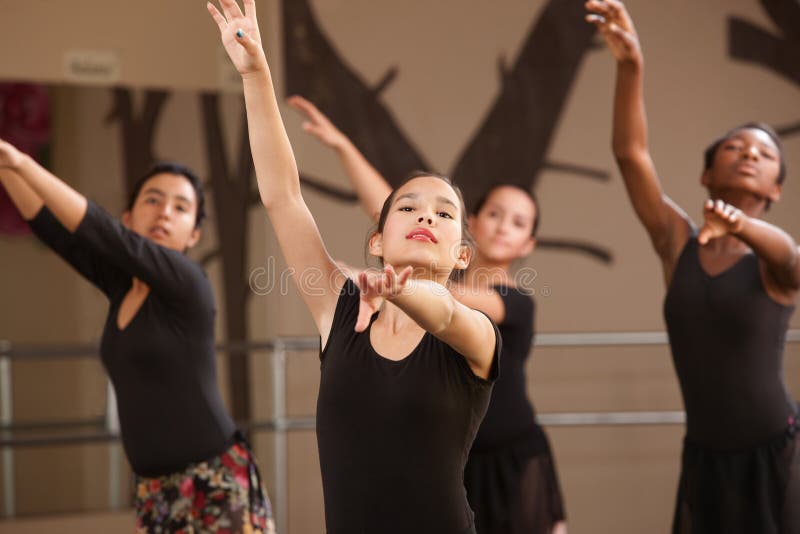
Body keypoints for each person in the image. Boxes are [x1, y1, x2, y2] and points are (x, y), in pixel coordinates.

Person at [207, 1, 501, 532]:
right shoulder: (338, 312)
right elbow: (283, 197)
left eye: (444, 213)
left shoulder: (476, 335)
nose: (425, 216)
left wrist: (396, 292)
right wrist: (254, 74)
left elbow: (442, 315)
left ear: (462, 254)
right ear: (377, 239)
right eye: (407, 207)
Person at [287, 94, 567, 533]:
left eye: (517, 222)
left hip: (512, 453)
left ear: (461, 249)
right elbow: (399, 213)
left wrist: (382, 281)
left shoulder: (506, 302)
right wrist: (343, 146)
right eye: (494, 214)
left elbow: (446, 308)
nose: (501, 226)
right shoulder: (420, 256)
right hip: (457, 454)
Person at [585, 1, 800, 531]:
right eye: (735, 147)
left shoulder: (773, 258)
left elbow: (792, 259)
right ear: (707, 175)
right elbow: (631, 153)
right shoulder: (675, 241)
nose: (749, 154)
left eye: (764, 154)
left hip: (777, 455)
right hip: (704, 457)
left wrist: (740, 226)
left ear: (775, 189)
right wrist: (631, 66)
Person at [0, 152, 274, 532]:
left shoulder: (190, 282)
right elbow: (53, 229)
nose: (164, 212)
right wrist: (5, 167)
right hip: (153, 491)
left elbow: (102, 232)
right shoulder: (123, 287)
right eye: (152, 200)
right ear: (129, 217)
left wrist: (23, 162)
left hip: (213, 483)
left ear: (193, 233)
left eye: (180, 207)